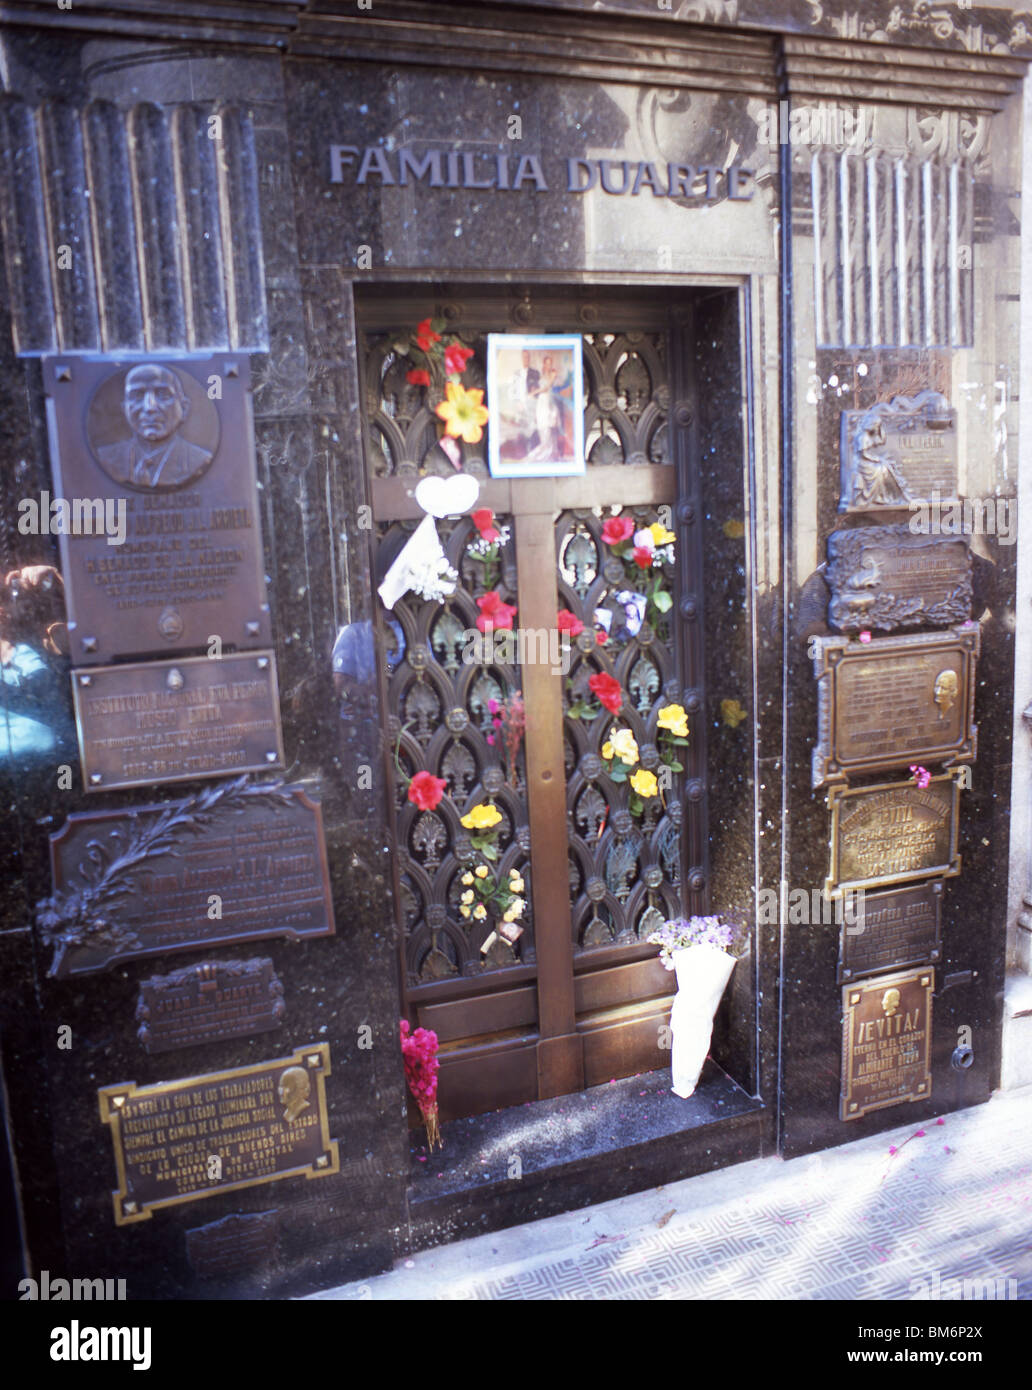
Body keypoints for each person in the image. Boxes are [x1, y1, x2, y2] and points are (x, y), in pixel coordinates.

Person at [96, 363, 213, 489]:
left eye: (163, 395)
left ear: (183, 409)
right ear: (125, 410)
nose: (149, 407)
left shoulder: (200, 460)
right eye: (137, 396)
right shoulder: (106, 458)